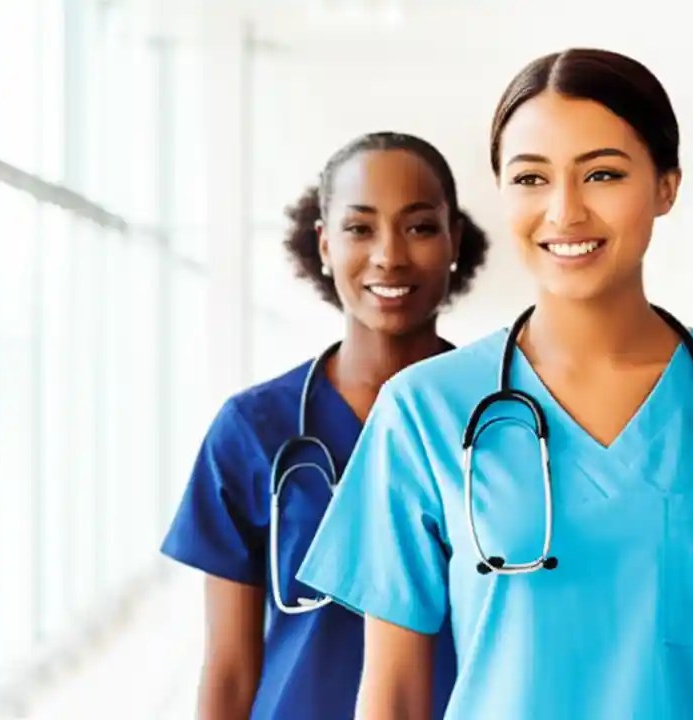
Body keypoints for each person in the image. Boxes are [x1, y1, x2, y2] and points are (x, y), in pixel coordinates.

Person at [297, 48, 693, 720]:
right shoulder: (423, 411)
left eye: (602, 174)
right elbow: (394, 698)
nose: (565, 211)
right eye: (531, 178)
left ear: (666, 186)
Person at [160, 131, 488, 719]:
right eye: (359, 228)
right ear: (325, 244)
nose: (389, 255)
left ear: (454, 240)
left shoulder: (505, 422)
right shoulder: (254, 430)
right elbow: (230, 669)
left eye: (419, 227)